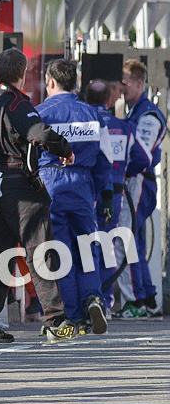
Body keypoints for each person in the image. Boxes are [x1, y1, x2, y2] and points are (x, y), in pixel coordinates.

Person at [0, 48, 77, 344]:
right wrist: (65, 150)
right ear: (22, 73)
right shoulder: (16, 103)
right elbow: (39, 133)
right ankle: (56, 321)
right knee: (39, 252)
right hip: (19, 185)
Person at [36, 60, 111, 335]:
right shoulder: (93, 114)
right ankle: (93, 297)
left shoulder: (41, 113)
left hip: (51, 185)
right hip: (83, 186)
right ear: (75, 83)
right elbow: (105, 159)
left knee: (61, 253)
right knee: (87, 249)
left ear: (50, 82)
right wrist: (105, 195)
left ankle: (75, 315)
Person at [115, 59, 167, 318]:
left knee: (125, 239)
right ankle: (145, 297)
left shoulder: (147, 115)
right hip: (137, 181)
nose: (120, 88)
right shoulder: (135, 111)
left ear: (138, 82)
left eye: (124, 83)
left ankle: (135, 300)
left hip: (139, 180)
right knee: (133, 240)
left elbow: (141, 154)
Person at [86, 80, 131, 314]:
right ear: (108, 100)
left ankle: (88, 297)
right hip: (113, 193)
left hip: (87, 191)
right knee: (107, 245)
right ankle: (105, 301)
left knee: (83, 244)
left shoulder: (83, 121)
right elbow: (139, 159)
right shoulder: (124, 127)